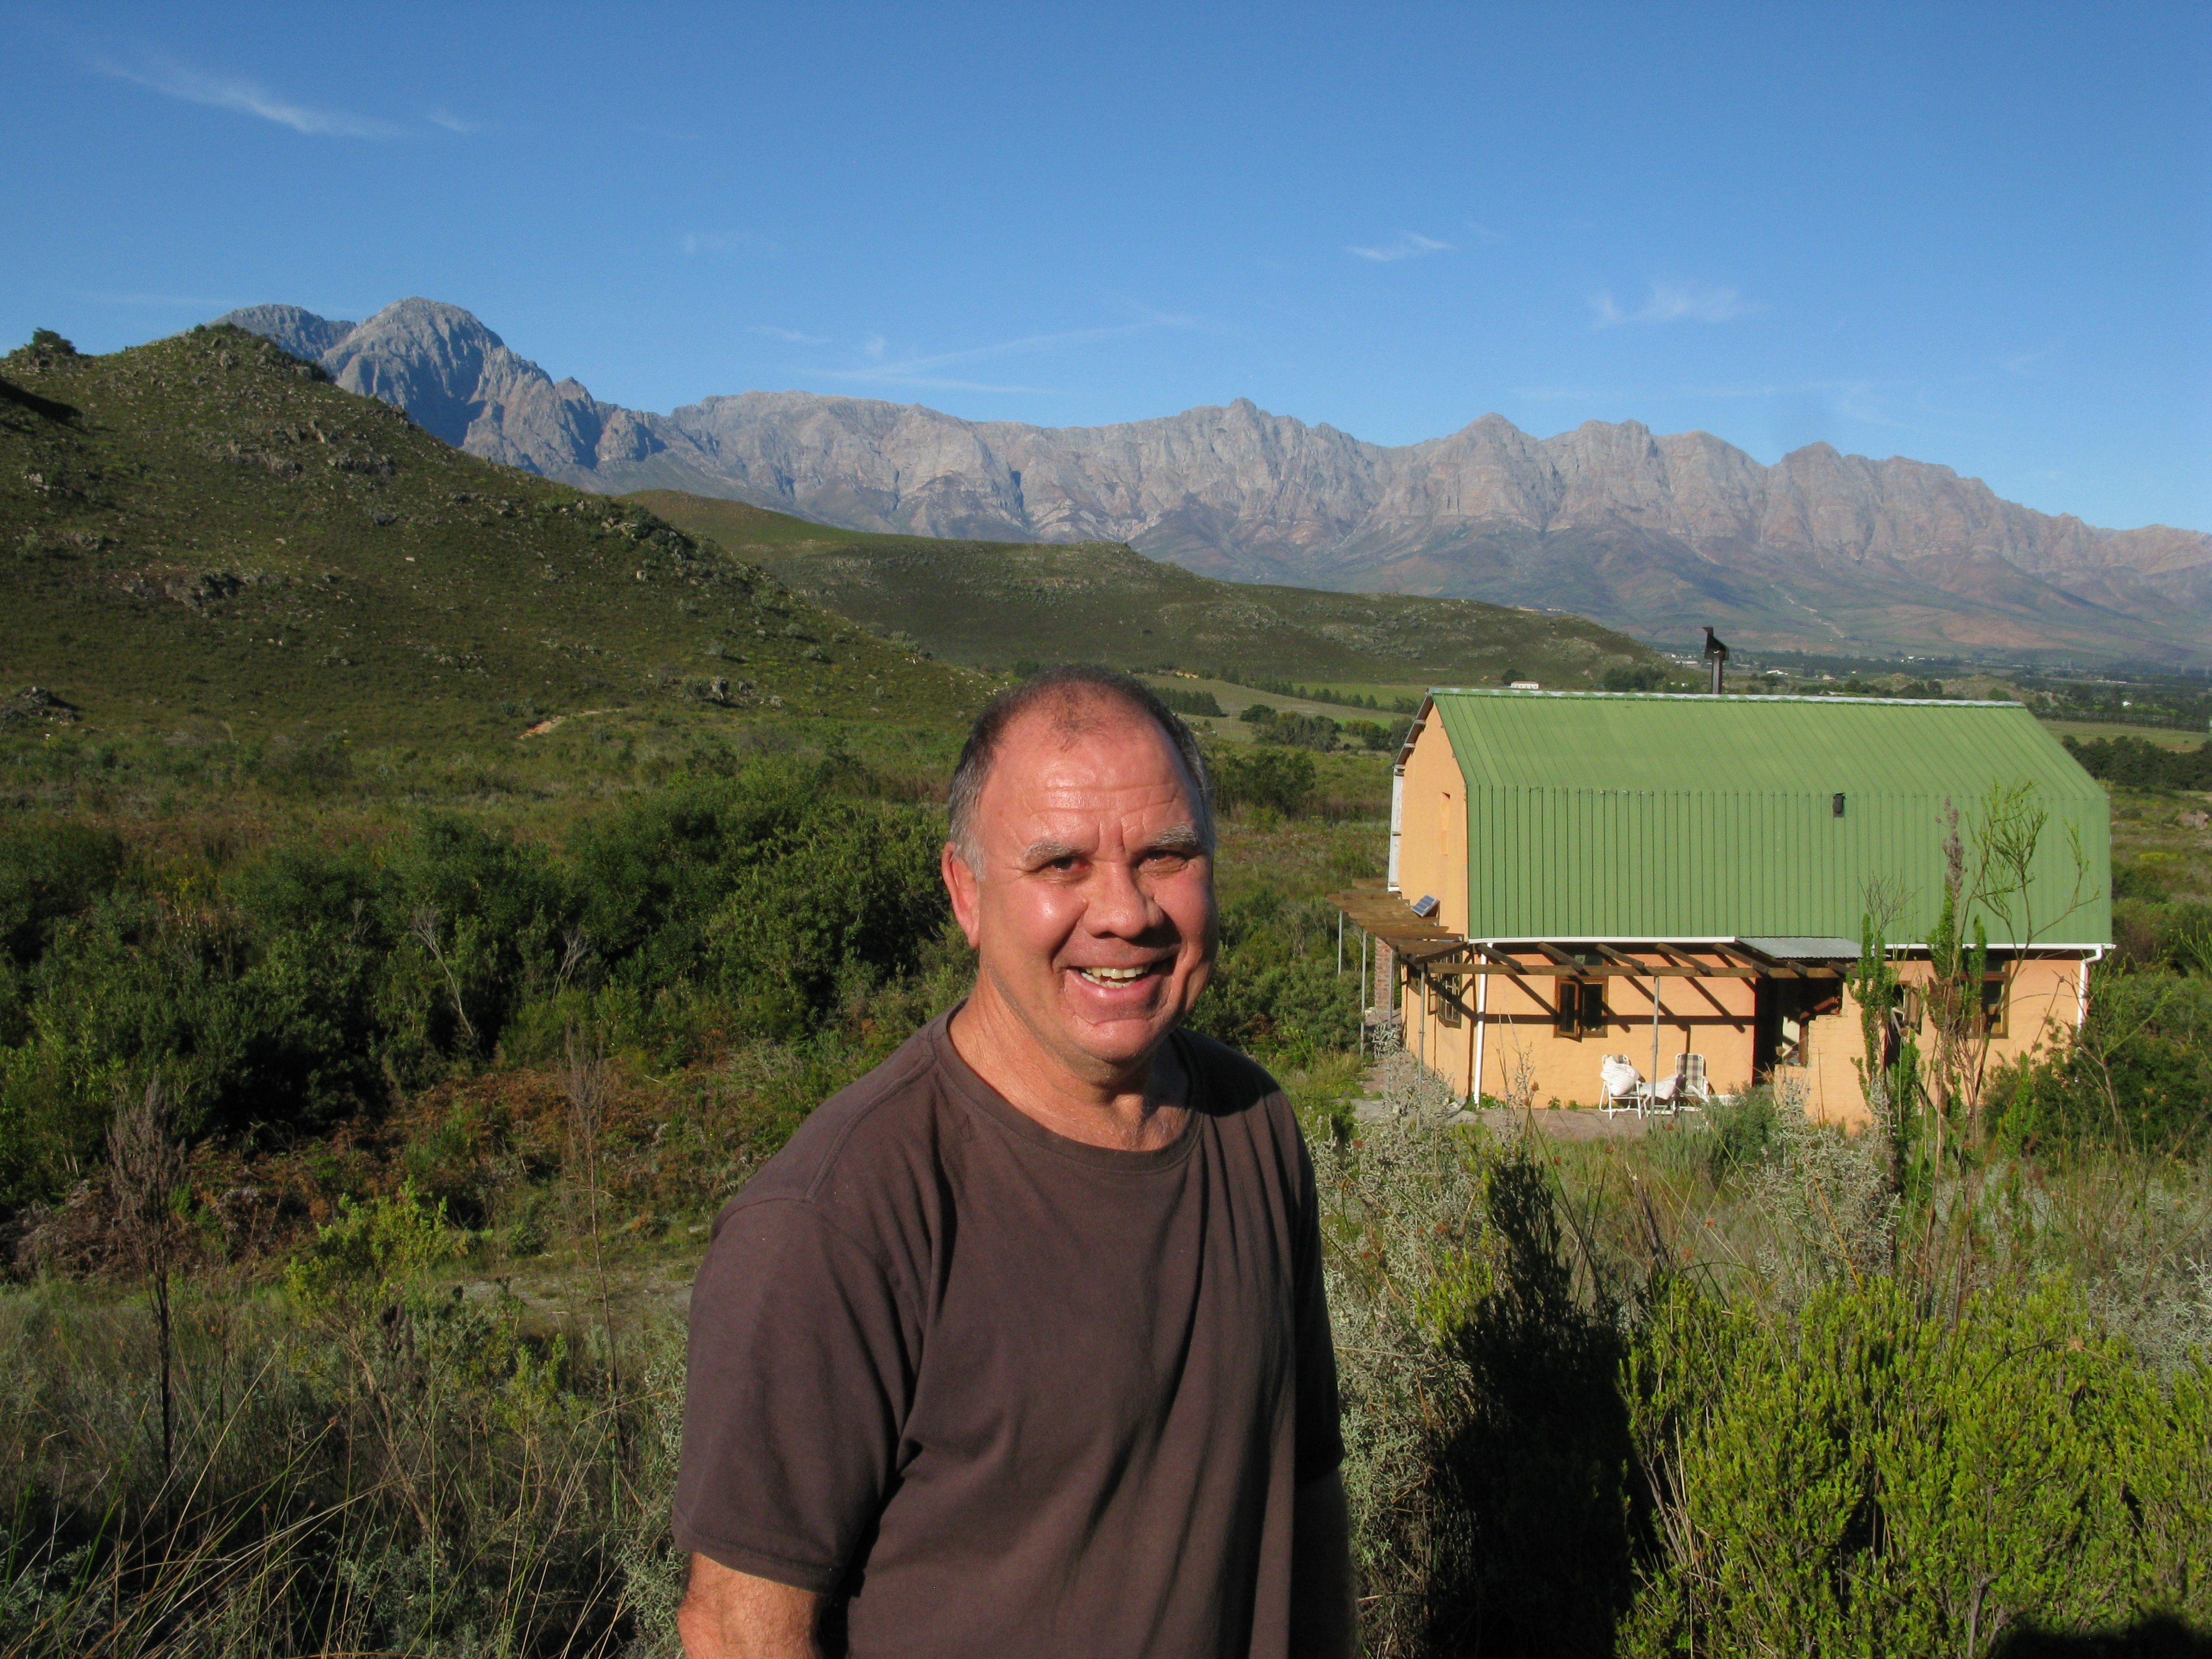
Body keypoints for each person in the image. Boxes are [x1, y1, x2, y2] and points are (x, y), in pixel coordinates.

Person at [672, 666, 1354, 1659]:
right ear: (966, 893)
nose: (1125, 913)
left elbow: (1308, 1493)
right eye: (1061, 866)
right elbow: (739, 1631)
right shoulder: (838, 1223)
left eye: (1167, 855)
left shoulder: (1256, 1130)